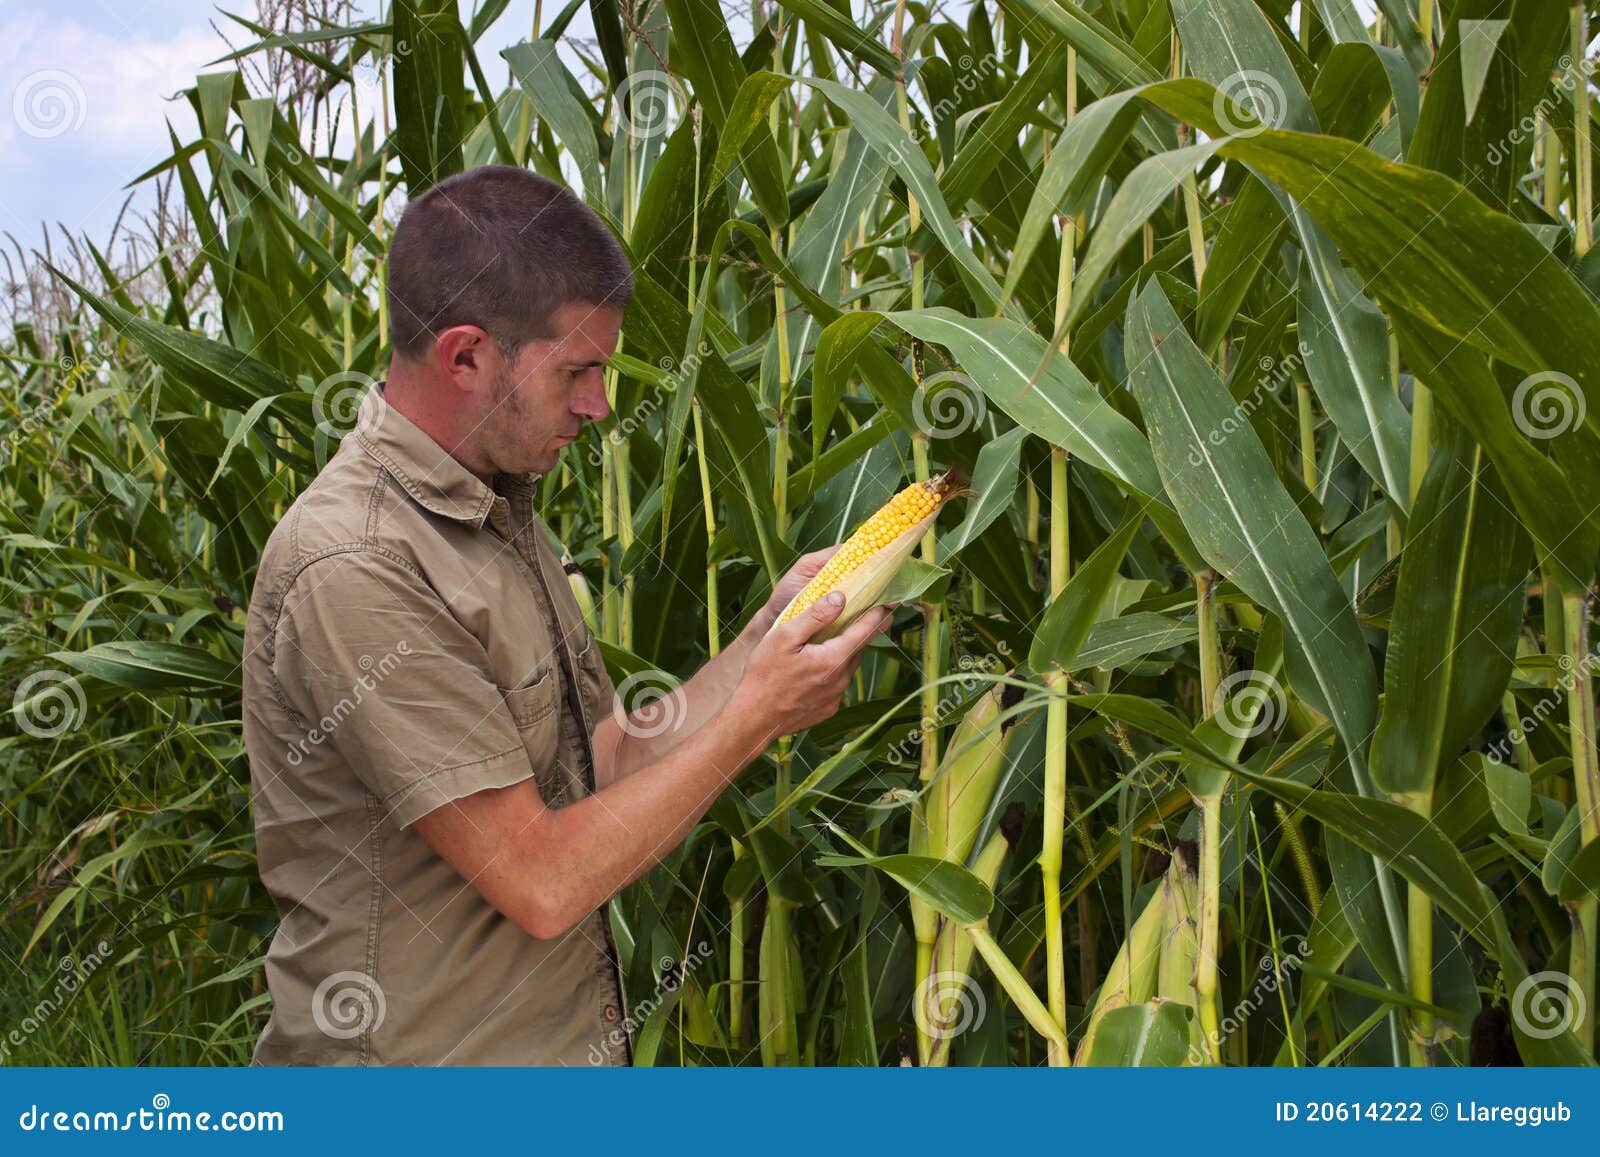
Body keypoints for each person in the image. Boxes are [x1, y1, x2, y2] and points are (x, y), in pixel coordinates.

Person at [240, 165, 889, 1065]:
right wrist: (758, 718)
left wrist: (761, 642)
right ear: (465, 356)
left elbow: (606, 759)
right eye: (578, 371)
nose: (600, 405)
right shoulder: (359, 564)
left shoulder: (492, 508)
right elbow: (541, 878)